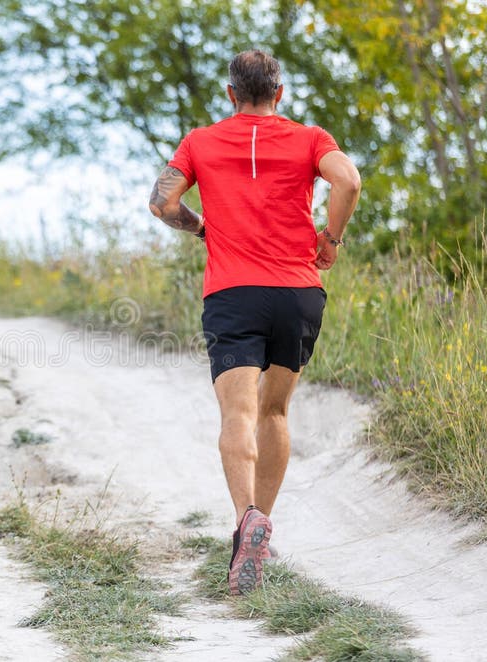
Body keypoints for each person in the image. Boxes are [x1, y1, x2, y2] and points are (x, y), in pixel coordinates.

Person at [148, 49, 361, 595]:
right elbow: (349, 182)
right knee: (274, 410)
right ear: (280, 94)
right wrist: (330, 241)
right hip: (298, 293)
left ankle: (247, 519)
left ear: (230, 95)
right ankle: (260, 525)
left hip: (233, 292)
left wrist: (201, 229)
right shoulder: (311, 138)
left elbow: (161, 201)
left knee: (236, 414)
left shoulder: (200, 141)